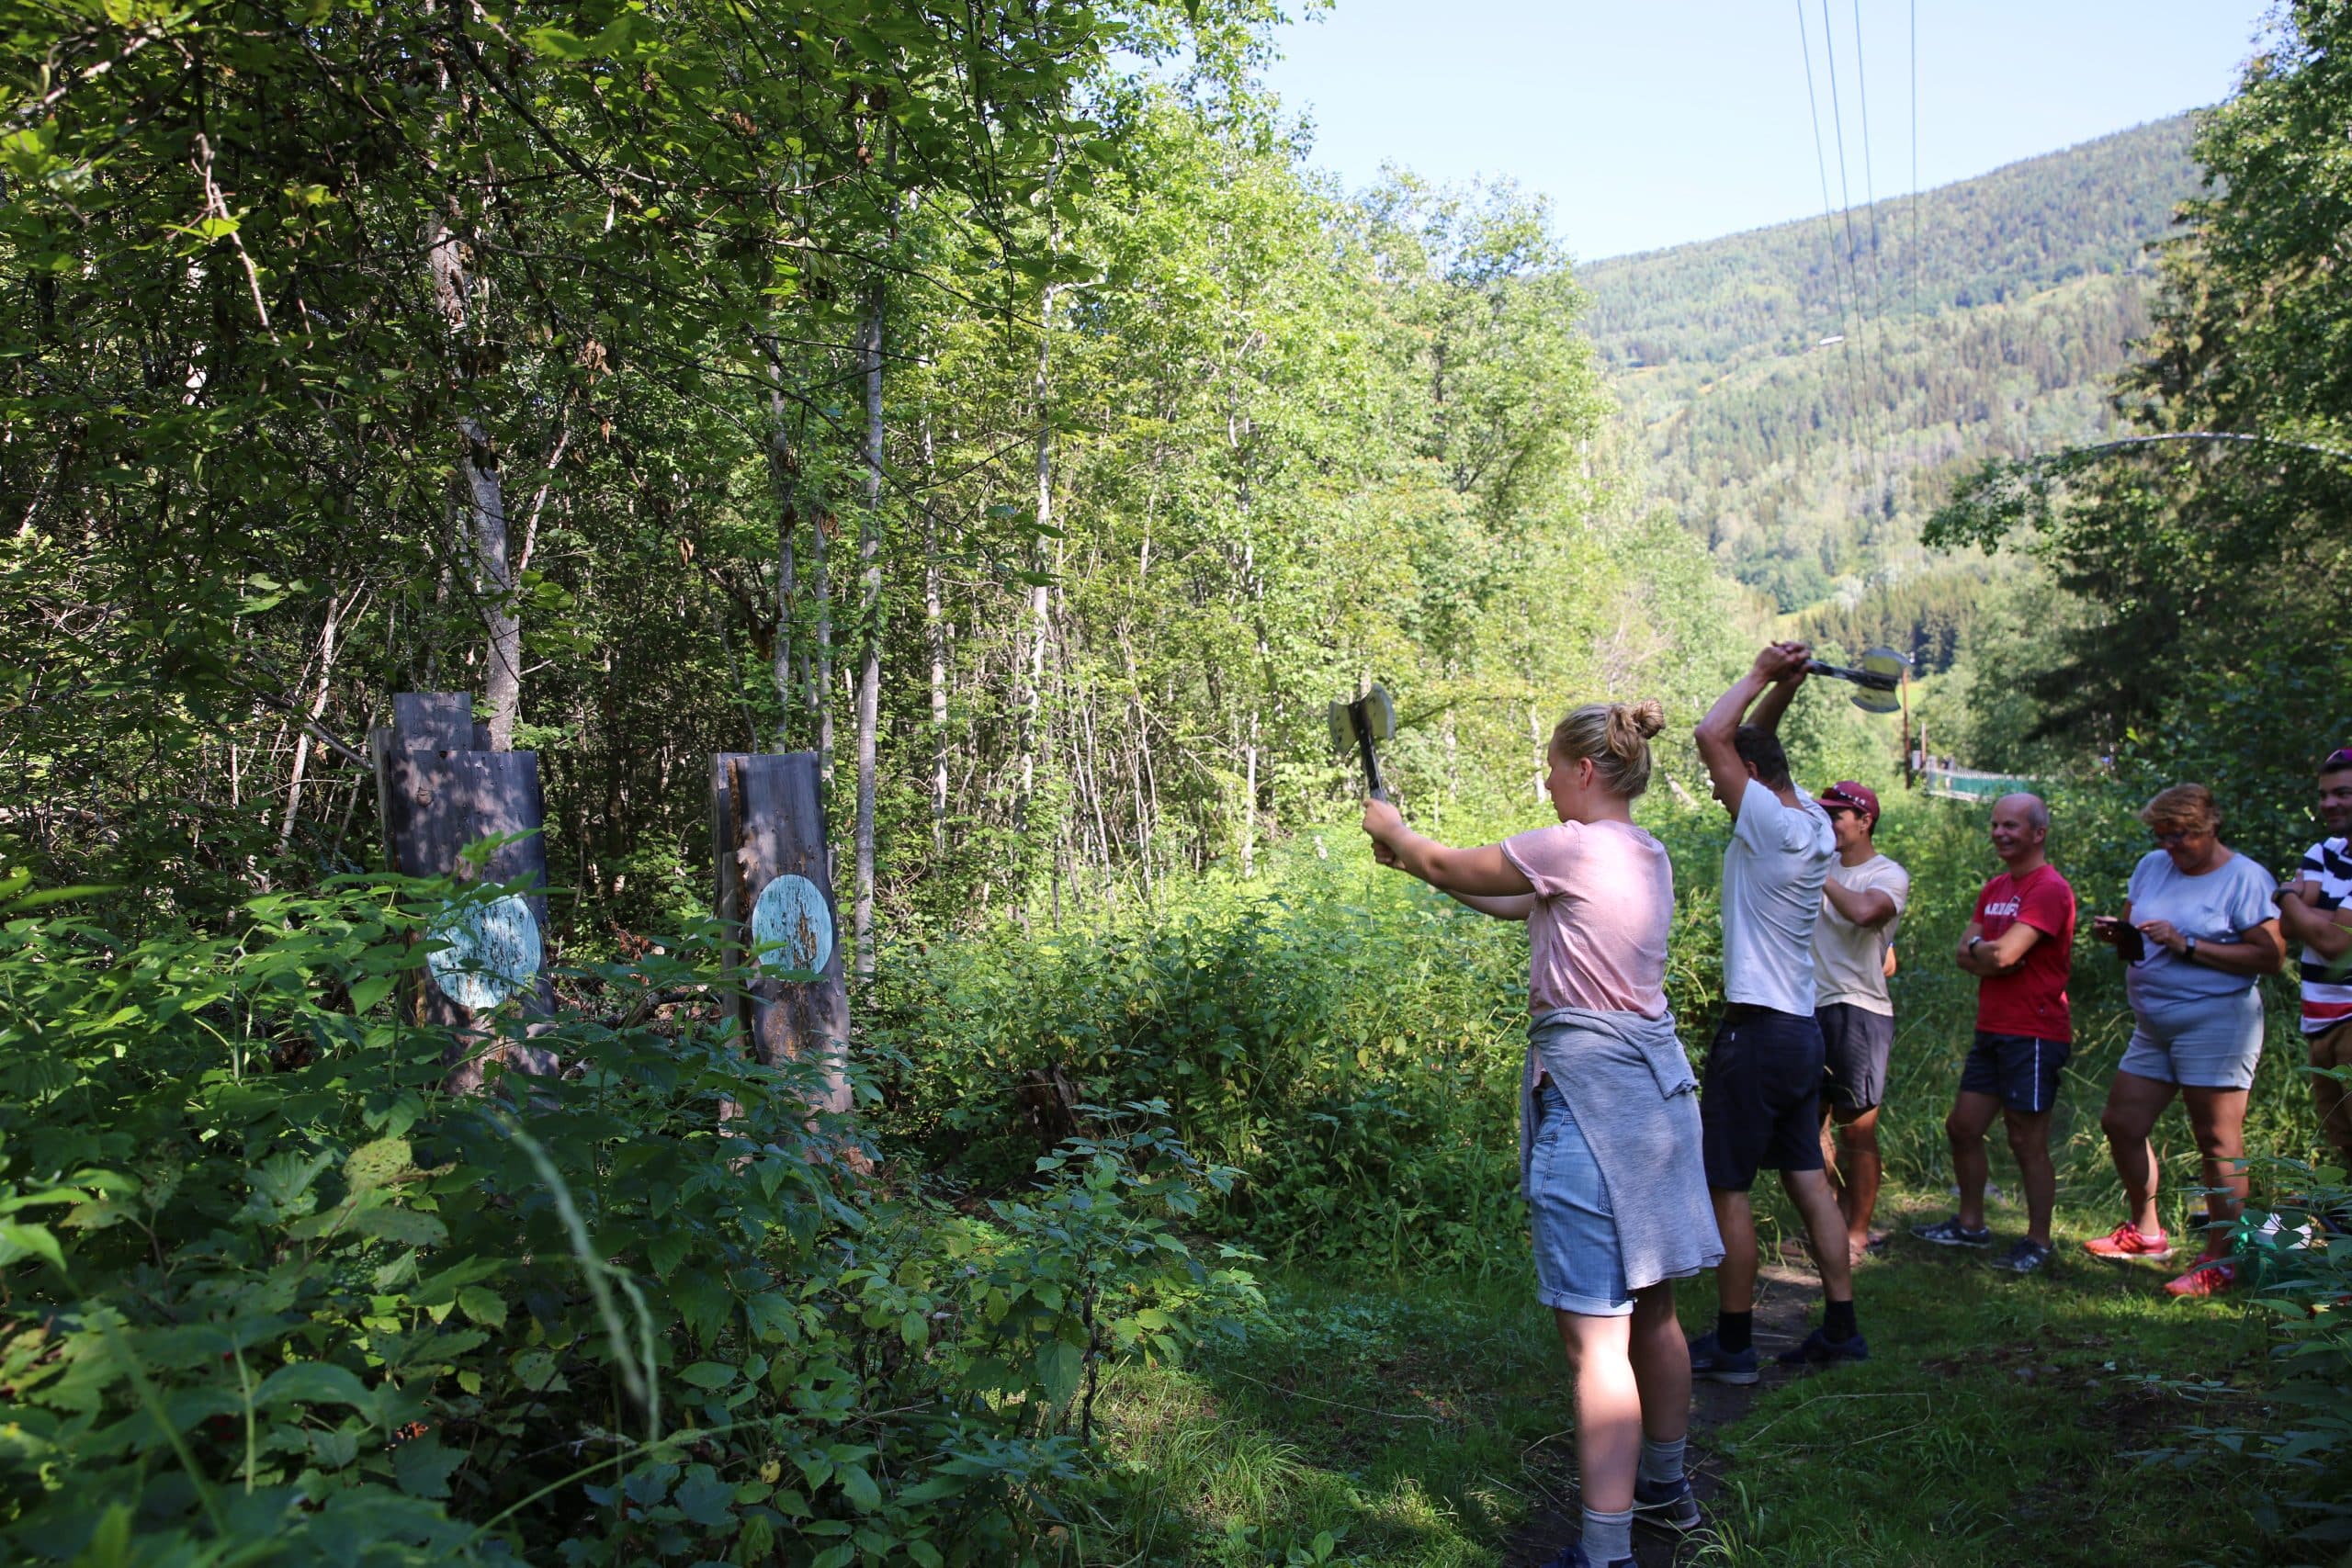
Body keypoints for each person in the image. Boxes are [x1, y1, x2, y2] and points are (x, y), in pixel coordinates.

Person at [1363, 699, 1717, 1568]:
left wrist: (1401, 833)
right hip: (1656, 1108)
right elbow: (1507, 899)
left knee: (1597, 1341)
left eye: (1553, 767)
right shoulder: (1645, 854)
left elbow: (1454, 859)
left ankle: (1605, 1552)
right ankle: (1665, 1494)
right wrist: (1416, 864)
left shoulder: (1570, 844)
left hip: (1593, 1107)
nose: (1547, 780)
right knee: (1656, 1313)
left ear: (1585, 770)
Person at [1685, 642, 1865, 1382]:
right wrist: (1783, 689)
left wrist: (1759, 670)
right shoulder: (1817, 827)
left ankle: (1733, 1345)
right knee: (1806, 1179)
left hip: (1757, 1032)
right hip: (1801, 1032)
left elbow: (1710, 736)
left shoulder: (1766, 826)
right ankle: (1843, 1327)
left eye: (1732, 785)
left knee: (1727, 1185)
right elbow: (1747, 742)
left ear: (1752, 782)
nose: (1725, 793)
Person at [2084, 784, 2283, 1296]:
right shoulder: (2154, 864)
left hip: (2216, 1020)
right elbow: (2134, 921)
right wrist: (2120, 935)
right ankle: (2148, 1231)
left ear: (2210, 825)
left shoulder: (2244, 878)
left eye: (2181, 836)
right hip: (2154, 1022)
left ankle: (2224, 1257)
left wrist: (2187, 943)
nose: (2171, 846)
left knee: (2216, 1140)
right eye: (2163, 835)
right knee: (2122, 1122)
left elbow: (2270, 956)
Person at [1914, 794, 2075, 1273]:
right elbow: (1969, 954)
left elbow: (2002, 957)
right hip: (1993, 1027)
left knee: (2026, 1139)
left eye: (2012, 826)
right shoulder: (1996, 886)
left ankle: (2039, 1242)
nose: (2001, 833)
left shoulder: (2049, 888)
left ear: (2038, 833)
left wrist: (1992, 951)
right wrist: (1993, 950)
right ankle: (1970, 1224)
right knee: (1963, 1126)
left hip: (2035, 1031)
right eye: (1996, 825)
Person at [1810, 781, 1909, 1265]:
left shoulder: (1887, 874)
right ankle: (1827, 1222)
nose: (1827, 825)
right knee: (1812, 1125)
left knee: (1857, 1129)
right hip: (1807, 1007)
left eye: (1836, 817)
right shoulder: (1821, 866)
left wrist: (1818, 875)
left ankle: (1857, 1232)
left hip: (1858, 1009)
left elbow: (1866, 913)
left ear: (1864, 820)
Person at [2278, 750, 2352, 1175]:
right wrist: (2309, 915)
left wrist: (2287, 894)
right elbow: (2289, 928)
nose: (2329, 805)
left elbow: (2331, 943)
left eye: (2342, 793)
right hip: (2318, 1019)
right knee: (2342, 1135)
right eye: (2324, 795)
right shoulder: (2325, 849)